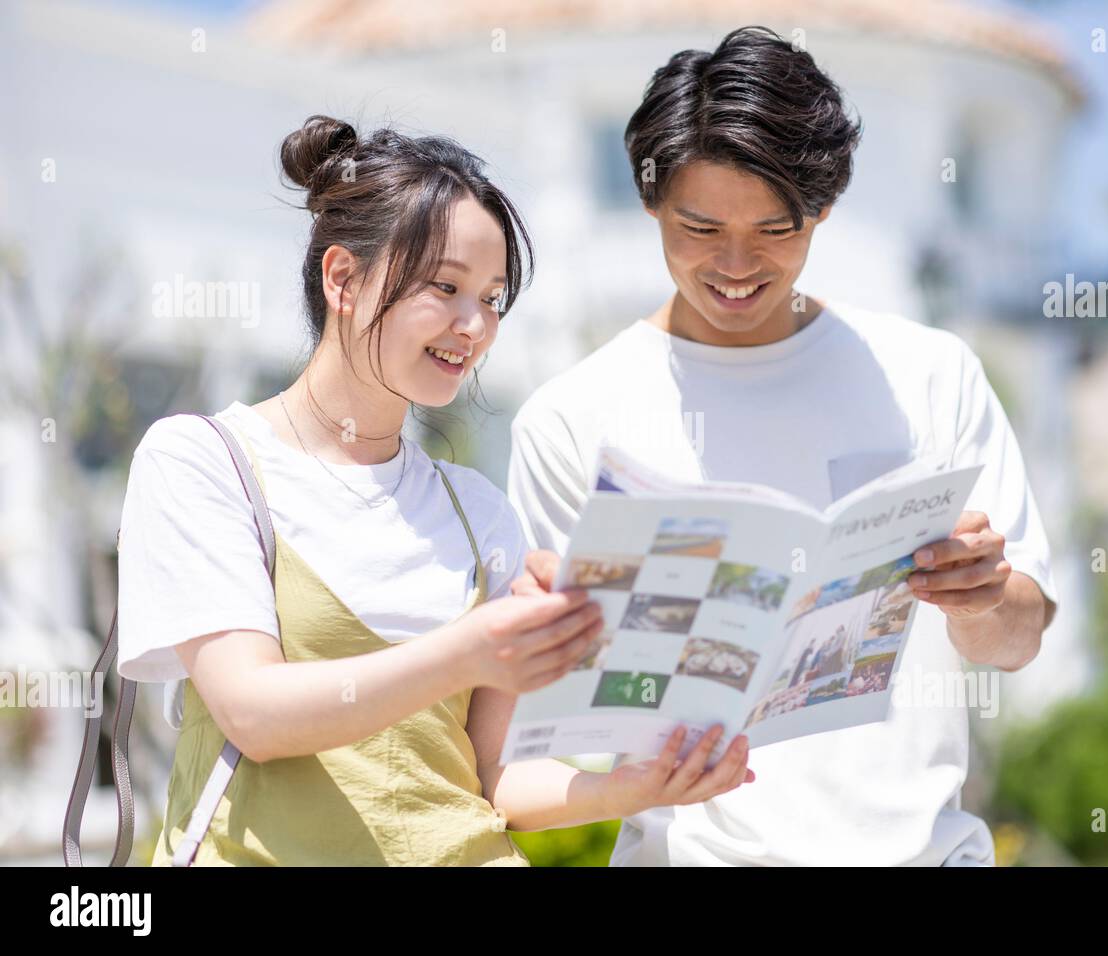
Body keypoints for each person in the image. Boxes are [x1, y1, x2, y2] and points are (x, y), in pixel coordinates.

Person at [116, 115, 752, 866]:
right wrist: (468, 652)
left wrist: (634, 786)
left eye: (491, 298)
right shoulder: (205, 461)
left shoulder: (476, 509)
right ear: (343, 279)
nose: (474, 325)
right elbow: (253, 712)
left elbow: (491, 777)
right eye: (446, 287)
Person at [507, 27, 1058, 866]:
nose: (736, 264)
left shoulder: (928, 373)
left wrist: (984, 599)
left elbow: (1020, 641)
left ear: (824, 208)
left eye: (776, 229)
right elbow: (536, 720)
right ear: (649, 200)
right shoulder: (572, 416)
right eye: (698, 227)